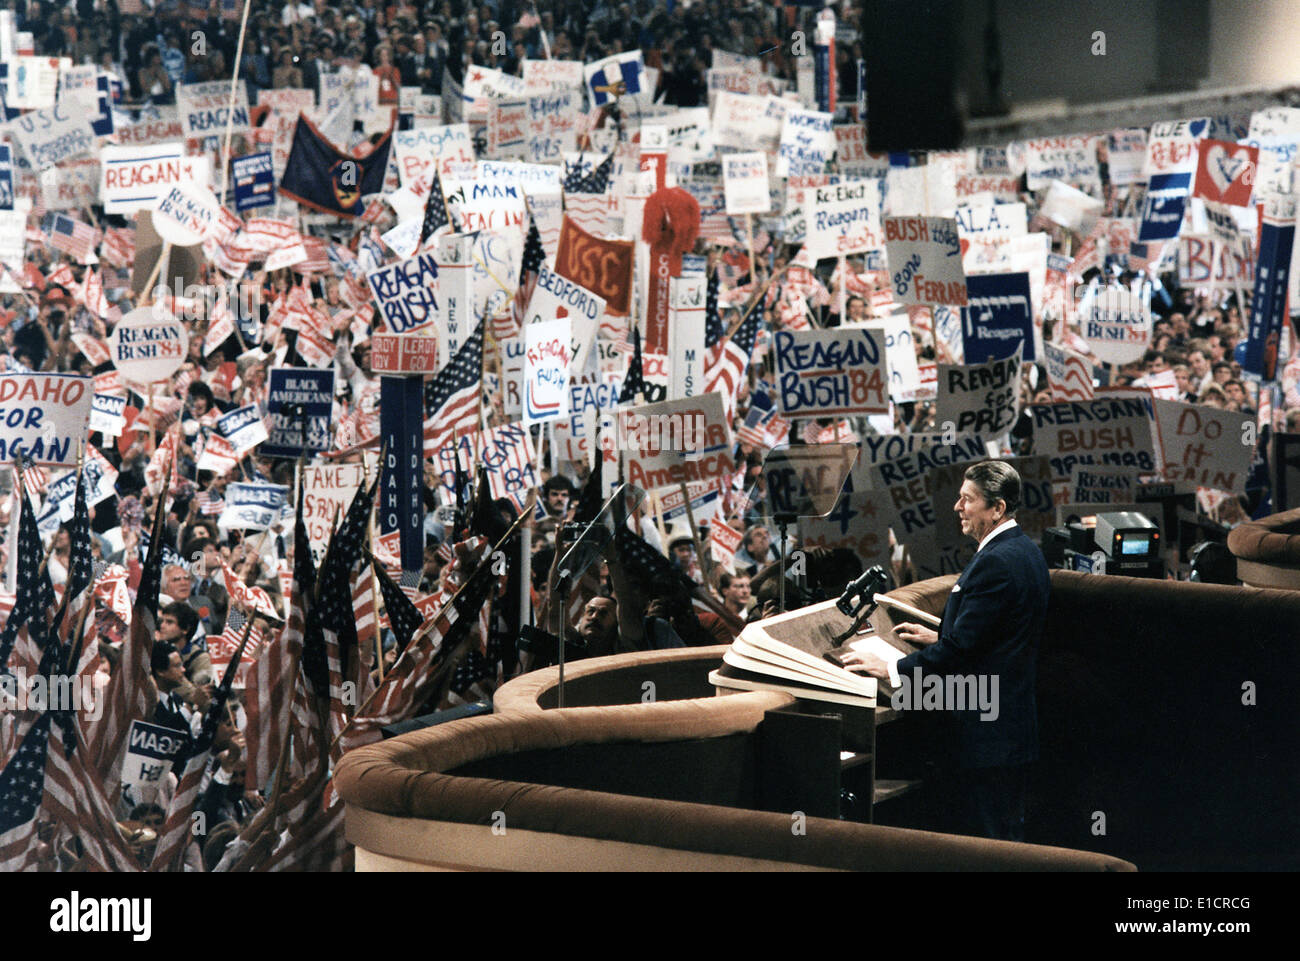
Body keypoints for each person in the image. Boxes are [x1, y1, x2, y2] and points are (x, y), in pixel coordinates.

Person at [841, 460, 1049, 842]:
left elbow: (961, 653)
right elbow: (997, 633)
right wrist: (941, 634)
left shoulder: (997, 562)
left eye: (967, 500)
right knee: (1003, 838)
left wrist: (892, 668)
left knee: (987, 846)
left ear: (997, 508)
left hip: (987, 735)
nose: (957, 507)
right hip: (1009, 729)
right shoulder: (1025, 550)